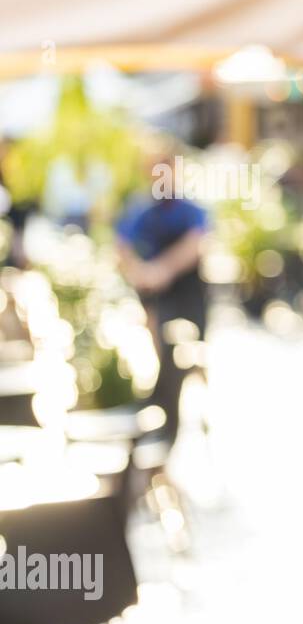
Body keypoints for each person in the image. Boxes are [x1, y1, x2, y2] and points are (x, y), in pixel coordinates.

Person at [115, 154, 210, 445]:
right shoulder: (142, 210)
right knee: (167, 354)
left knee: (191, 354)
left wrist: (163, 269)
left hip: (189, 291)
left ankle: (196, 406)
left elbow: (196, 243)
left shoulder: (191, 210)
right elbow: (123, 247)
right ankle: (169, 420)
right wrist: (141, 273)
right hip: (160, 295)